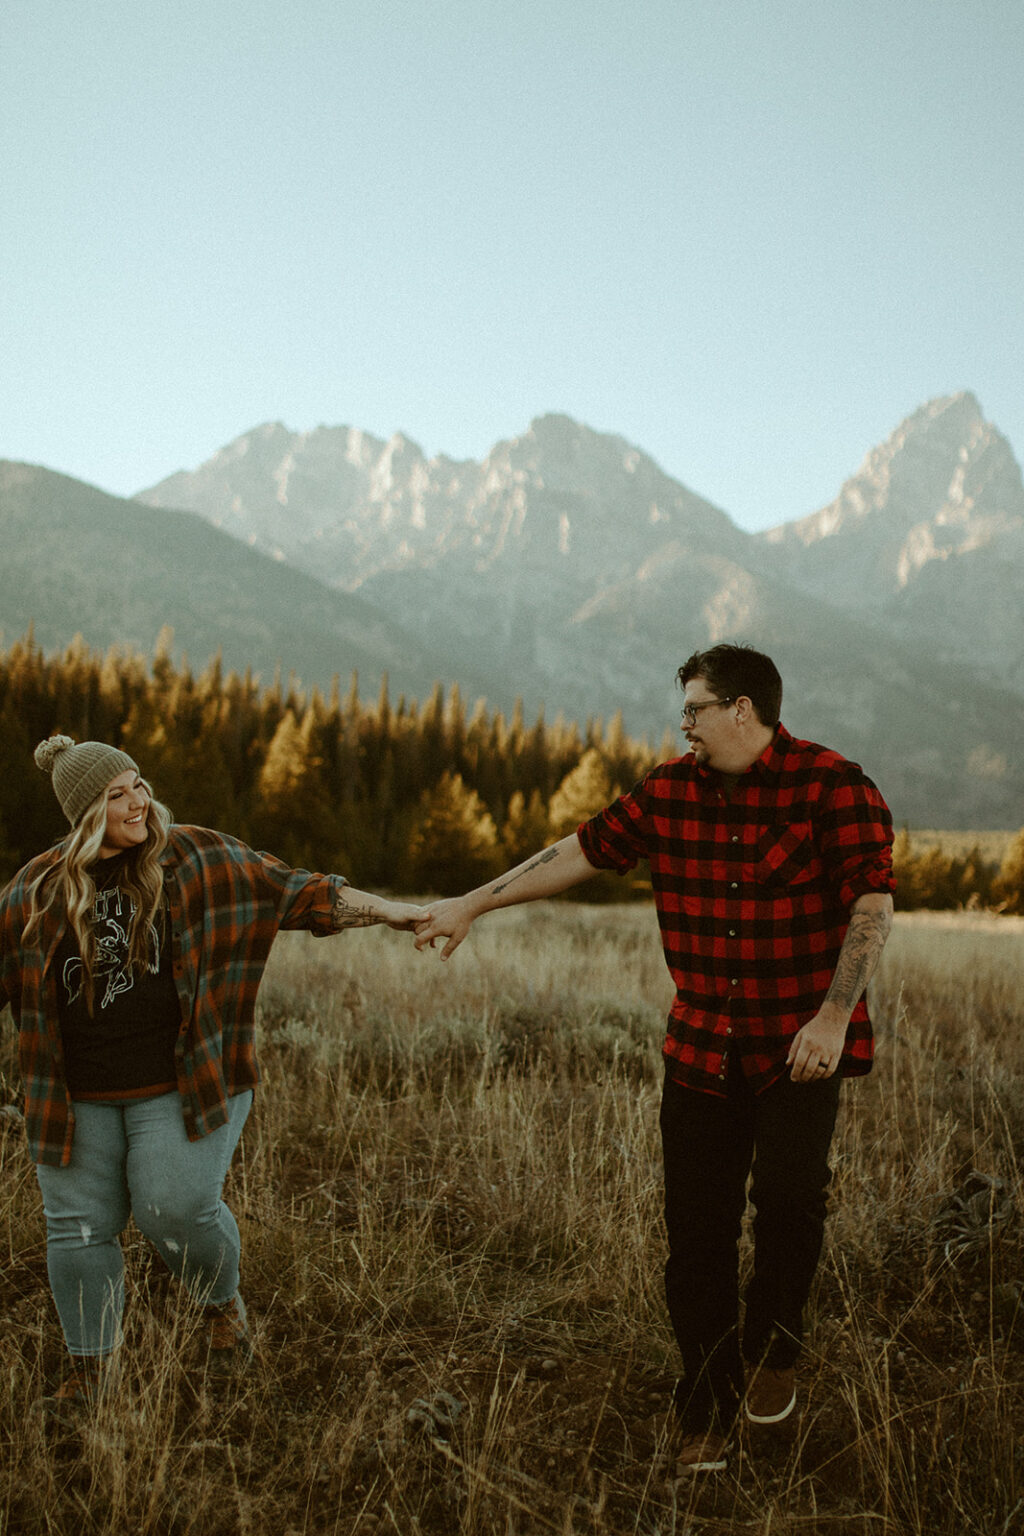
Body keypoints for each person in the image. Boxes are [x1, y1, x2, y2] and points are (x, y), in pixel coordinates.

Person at [414, 644, 894, 1473]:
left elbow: (871, 905)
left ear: (743, 709)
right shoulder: (670, 790)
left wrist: (831, 1015)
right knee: (695, 1233)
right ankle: (704, 1405)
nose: (685, 726)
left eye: (697, 711)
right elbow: (578, 850)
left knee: (789, 1202)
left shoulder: (832, 786)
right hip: (702, 1048)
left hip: (798, 1048)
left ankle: (776, 1344)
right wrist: (473, 903)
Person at [0, 735, 423, 1413]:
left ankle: (221, 1309)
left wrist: (393, 912)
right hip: (75, 1098)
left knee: (174, 1207)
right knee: (78, 1229)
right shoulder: (34, 891)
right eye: (116, 795)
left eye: (138, 783)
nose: (139, 802)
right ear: (84, 815)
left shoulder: (195, 857)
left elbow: (300, 894)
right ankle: (91, 1370)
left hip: (187, 1082)